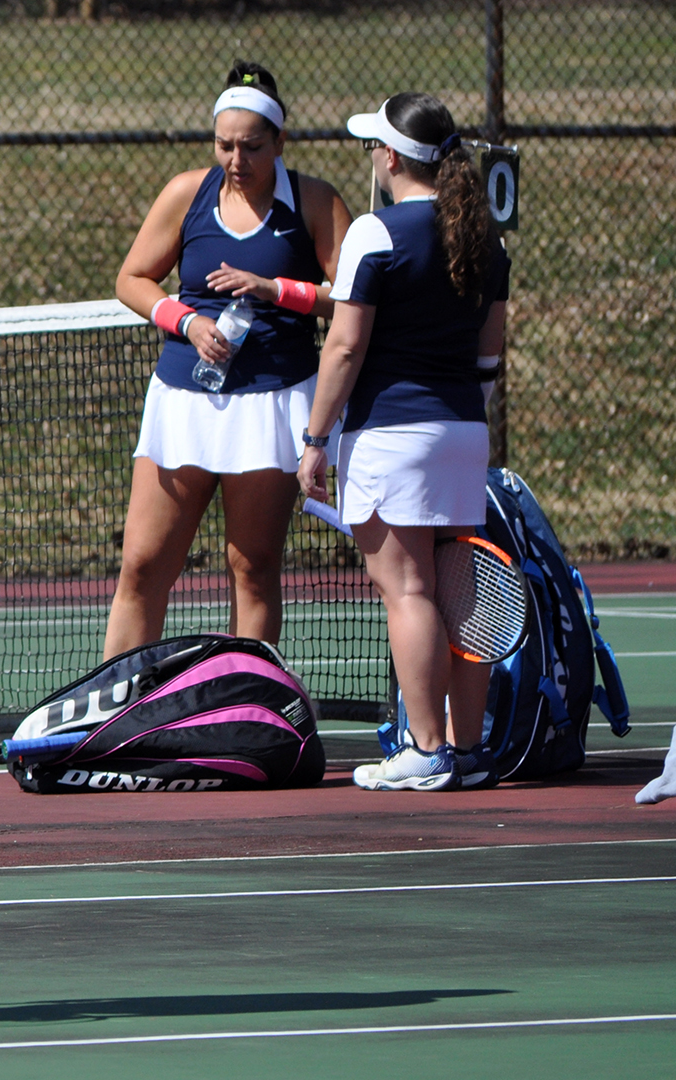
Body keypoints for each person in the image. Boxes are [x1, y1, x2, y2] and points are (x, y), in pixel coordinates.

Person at [299, 92, 510, 791]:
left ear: (390, 156)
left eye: (373, 148)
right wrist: (458, 421)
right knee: (459, 592)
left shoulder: (373, 233)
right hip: (461, 432)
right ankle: (469, 748)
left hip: (392, 437)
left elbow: (344, 348)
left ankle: (425, 750)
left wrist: (315, 439)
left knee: (409, 590)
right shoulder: (486, 239)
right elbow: (489, 356)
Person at [107, 62, 353, 658]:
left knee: (252, 564)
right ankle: (114, 707)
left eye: (251, 146)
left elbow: (349, 298)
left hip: (271, 402)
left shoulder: (315, 201)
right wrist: (188, 322)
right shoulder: (185, 194)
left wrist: (276, 290)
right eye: (224, 145)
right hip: (182, 403)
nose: (236, 160)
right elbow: (132, 279)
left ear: (280, 142)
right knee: (143, 564)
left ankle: (249, 707)